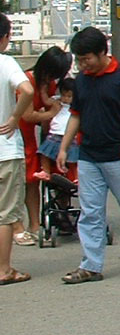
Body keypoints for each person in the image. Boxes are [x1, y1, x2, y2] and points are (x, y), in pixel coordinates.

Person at [57, 27, 120, 284]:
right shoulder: (81, 80)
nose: (82, 64)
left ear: (103, 52)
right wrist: (64, 147)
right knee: (90, 212)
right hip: (89, 156)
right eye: (79, 60)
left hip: (119, 156)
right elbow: (76, 115)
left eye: (86, 58)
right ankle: (91, 265)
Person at [16, 46, 72, 243]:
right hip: (19, 134)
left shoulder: (47, 84)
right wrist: (51, 114)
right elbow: (28, 115)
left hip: (41, 135)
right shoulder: (27, 82)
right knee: (24, 180)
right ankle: (24, 226)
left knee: (40, 177)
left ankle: (44, 220)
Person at [0, 13, 36, 285]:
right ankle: (4, 270)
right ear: (5, 37)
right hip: (5, 149)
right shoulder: (6, 63)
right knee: (5, 214)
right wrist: (14, 118)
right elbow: (27, 90)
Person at [36, 78, 77, 179]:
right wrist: (43, 90)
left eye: (69, 96)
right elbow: (46, 100)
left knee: (73, 158)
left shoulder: (77, 104)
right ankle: (45, 171)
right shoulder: (57, 101)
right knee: (44, 153)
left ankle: (76, 177)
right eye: (63, 95)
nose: (66, 99)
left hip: (70, 135)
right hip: (55, 133)